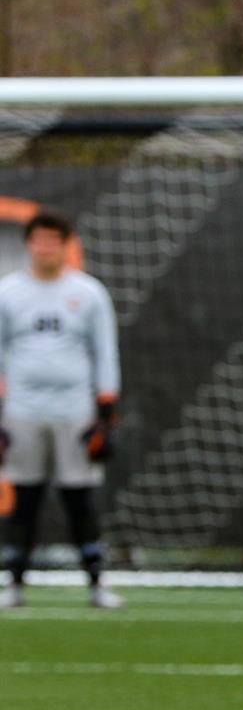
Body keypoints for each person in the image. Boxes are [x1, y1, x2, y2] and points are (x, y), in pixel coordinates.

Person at [0, 209, 122, 610]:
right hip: (23, 409)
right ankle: (14, 585)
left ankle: (96, 584)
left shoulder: (88, 293)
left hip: (74, 411)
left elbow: (104, 351)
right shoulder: (8, 292)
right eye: (40, 239)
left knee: (79, 498)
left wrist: (106, 408)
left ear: (65, 245)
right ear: (29, 244)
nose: (46, 247)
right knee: (25, 498)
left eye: (54, 240)